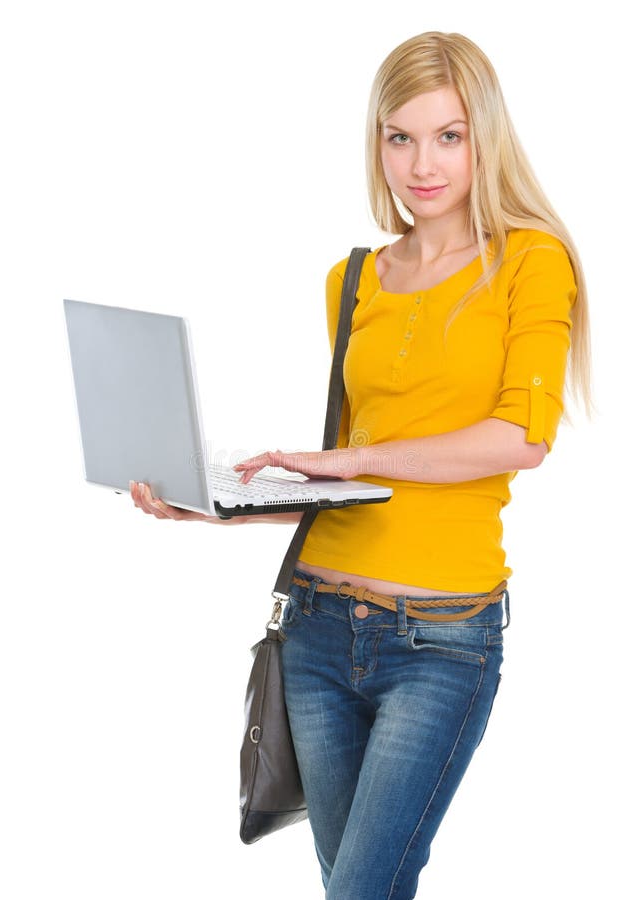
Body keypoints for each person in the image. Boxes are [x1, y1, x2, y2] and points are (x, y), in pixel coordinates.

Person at [130, 30, 593, 900]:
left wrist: (347, 453)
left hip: (440, 641)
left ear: (484, 138)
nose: (423, 163)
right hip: (315, 626)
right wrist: (217, 507)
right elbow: (353, 488)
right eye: (400, 136)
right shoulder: (355, 281)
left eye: (449, 135)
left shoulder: (531, 261)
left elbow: (520, 440)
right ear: (375, 142)